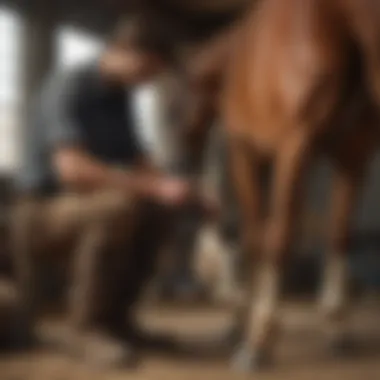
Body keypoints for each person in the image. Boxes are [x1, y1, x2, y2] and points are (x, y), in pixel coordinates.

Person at [12, 15, 214, 368]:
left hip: (83, 205)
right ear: (124, 51)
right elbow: (71, 170)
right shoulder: (70, 84)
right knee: (119, 205)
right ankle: (83, 328)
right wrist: (152, 186)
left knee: (159, 209)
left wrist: (190, 192)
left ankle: (119, 322)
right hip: (38, 211)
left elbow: (144, 166)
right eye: (148, 69)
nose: (149, 81)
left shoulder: (120, 98)